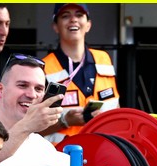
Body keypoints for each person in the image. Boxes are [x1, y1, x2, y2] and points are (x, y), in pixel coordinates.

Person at [41, 4, 120, 140]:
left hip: (103, 153)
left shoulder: (104, 59)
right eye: (65, 16)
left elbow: (116, 108)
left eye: (79, 15)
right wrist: (65, 121)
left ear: (88, 25)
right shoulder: (43, 68)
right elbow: (32, 129)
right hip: (61, 156)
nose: (73, 19)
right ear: (55, 26)